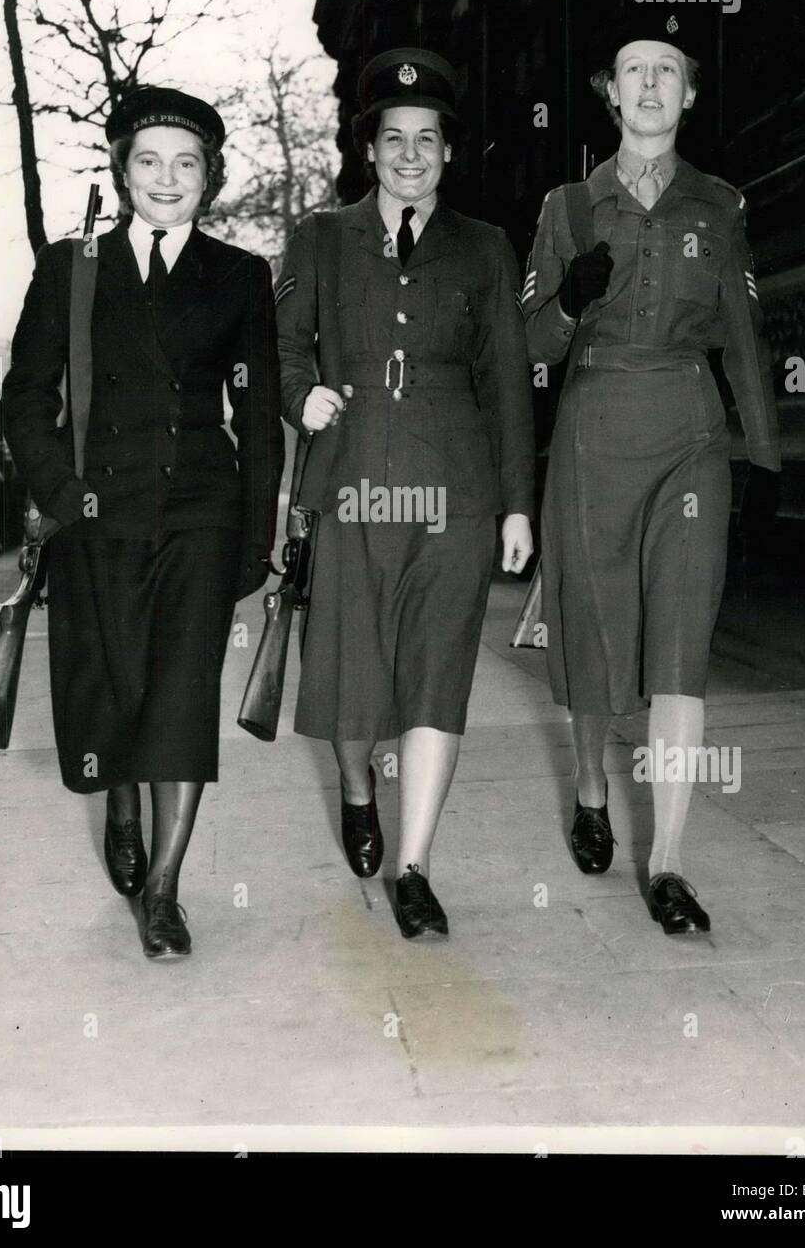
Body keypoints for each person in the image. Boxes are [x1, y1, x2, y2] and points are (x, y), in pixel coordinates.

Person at [2, 86, 284, 960]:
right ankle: (118, 797)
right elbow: (24, 399)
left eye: (187, 163)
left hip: (198, 510)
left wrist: (255, 537)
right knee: (111, 690)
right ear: (122, 170)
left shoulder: (238, 276)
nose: (168, 179)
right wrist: (59, 491)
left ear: (211, 180)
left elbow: (261, 409)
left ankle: (164, 889)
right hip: (95, 514)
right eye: (150, 160)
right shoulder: (70, 266)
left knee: (180, 697)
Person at [522, 12, 781, 934]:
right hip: (593, 428)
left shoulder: (720, 202)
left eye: (665, 71)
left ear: (688, 93)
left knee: (678, 647)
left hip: (688, 433)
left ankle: (667, 861)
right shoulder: (566, 206)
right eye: (632, 70)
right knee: (592, 630)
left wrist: (762, 450)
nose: (647, 86)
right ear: (609, 91)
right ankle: (591, 781)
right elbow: (525, 344)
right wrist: (566, 302)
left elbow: (744, 334)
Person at [276, 47, 535, 940]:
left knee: (435, 673)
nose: (411, 155)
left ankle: (415, 864)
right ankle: (357, 790)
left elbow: (507, 381)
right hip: (350, 486)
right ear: (369, 148)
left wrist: (515, 505)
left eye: (428, 139)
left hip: (453, 496)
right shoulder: (317, 238)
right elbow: (281, 347)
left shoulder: (485, 248)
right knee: (349, 669)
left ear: (448, 152)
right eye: (394, 138)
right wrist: (296, 393)